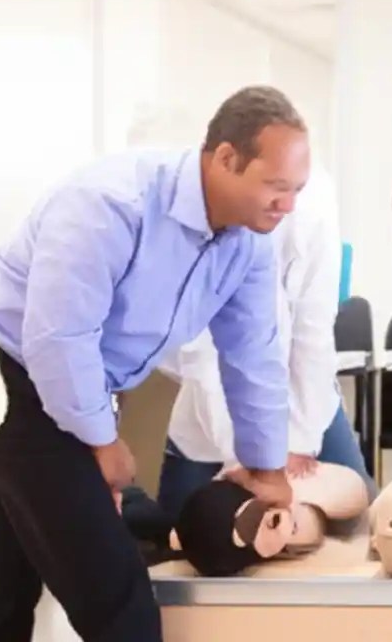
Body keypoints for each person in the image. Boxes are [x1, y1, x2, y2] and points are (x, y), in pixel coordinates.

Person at [0, 85, 305, 642]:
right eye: (276, 186)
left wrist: (267, 468)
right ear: (225, 159)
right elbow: (58, 337)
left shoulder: (248, 243)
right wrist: (102, 441)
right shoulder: (109, 205)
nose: (287, 204)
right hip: (3, 373)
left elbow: (254, 354)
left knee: (5, 590)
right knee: (117, 598)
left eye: (296, 190)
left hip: (66, 378)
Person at [156, 162, 375, 519]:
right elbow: (202, 354)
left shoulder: (316, 197)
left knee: (360, 520)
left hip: (305, 396)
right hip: (214, 413)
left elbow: (314, 331)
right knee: (184, 534)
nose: (284, 204)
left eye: (293, 191)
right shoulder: (204, 220)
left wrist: (300, 441)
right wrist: (247, 456)